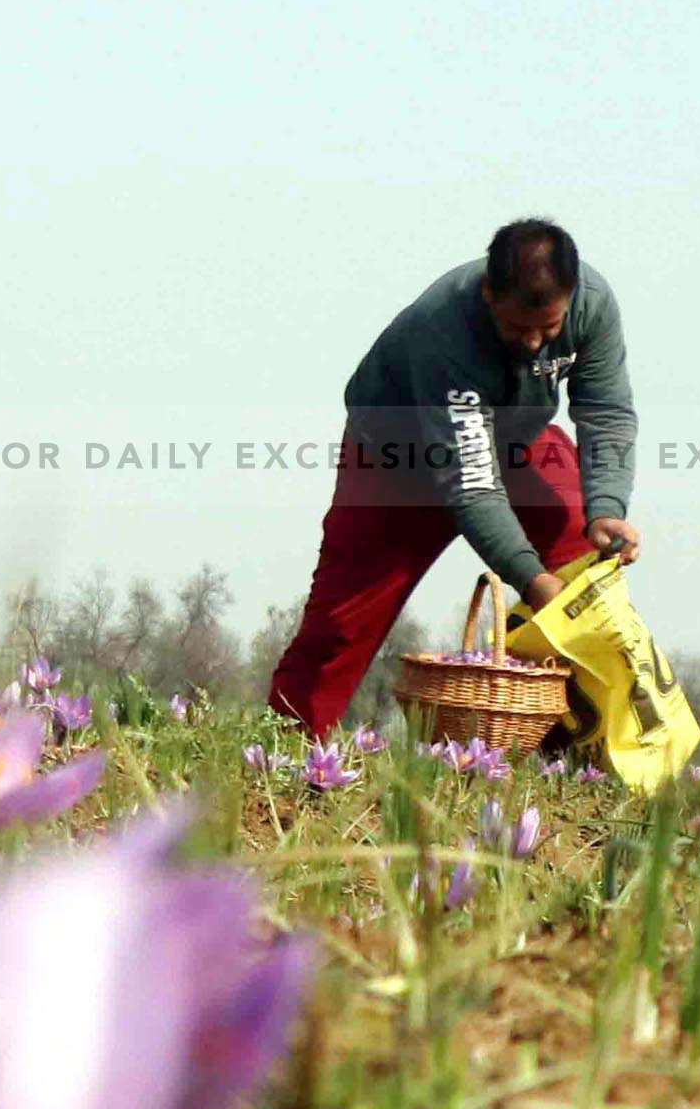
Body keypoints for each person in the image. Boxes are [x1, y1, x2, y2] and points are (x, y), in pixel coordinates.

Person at [265, 220, 639, 737]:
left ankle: (572, 741)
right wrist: (533, 582)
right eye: (517, 329)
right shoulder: (444, 331)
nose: (533, 344)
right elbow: (472, 483)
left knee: (581, 547)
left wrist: (608, 509)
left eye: (548, 331)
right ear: (489, 293)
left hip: (516, 439)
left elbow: (607, 410)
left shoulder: (592, 303)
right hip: (398, 465)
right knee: (339, 628)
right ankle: (283, 747)